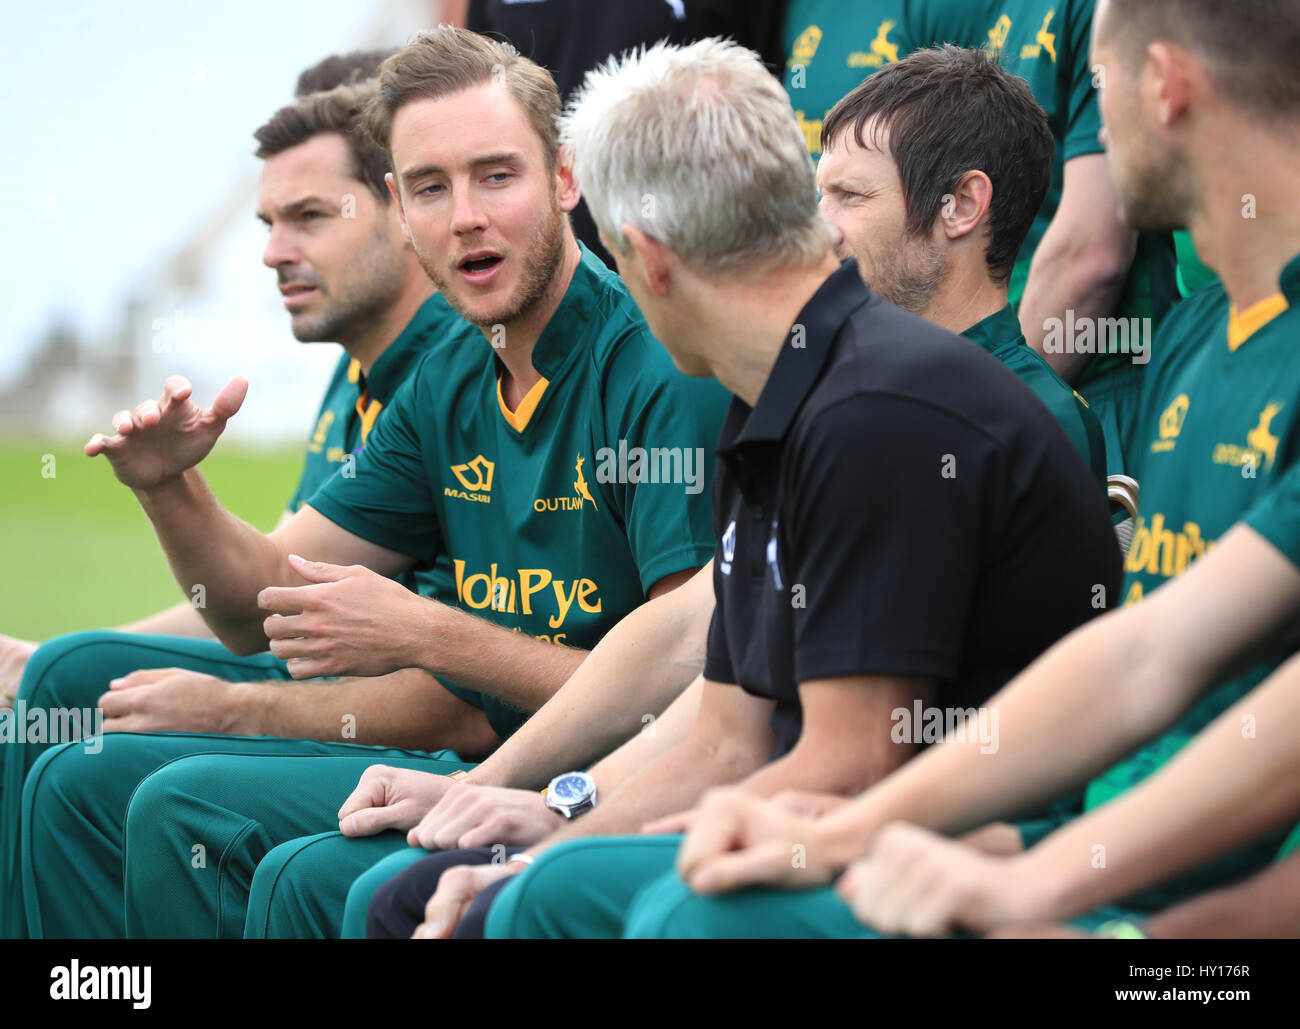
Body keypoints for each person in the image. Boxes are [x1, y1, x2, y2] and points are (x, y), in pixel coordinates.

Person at [362, 35, 1122, 941]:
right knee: (440, 892)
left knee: (572, 906)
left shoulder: (876, 408)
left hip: (966, 849)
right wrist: (554, 823)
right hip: (836, 821)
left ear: (649, 258)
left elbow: (846, 764)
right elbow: (725, 734)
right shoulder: (779, 395)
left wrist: (538, 864)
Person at [21, 27, 726, 939]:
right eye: (431, 187)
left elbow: (680, 691)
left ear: (565, 177)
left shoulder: (655, 368)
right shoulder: (453, 374)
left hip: (601, 779)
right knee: (97, 772)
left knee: (195, 812)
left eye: (496, 176)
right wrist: (170, 489)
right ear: (398, 208)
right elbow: (257, 608)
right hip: (477, 761)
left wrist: (425, 635)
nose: (464, 214)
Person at [620, 0, 1300, 939]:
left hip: (1164, 914)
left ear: (1165, 86)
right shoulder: (1194, 332)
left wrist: (1060, 901)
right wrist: (875, 831)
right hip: (1076, 855)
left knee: (682, 918)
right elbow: (1147, 655)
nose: (823, 230)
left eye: (1098, 91)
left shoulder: (916, 409)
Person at [0, 78, 495, 939]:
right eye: (267, 223)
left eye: (308, 217)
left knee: (99, 740)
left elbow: (468, 685)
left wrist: (238, 707)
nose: (271, 251)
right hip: (380, 696)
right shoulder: (365, 367)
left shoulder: (460, 366)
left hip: (452, 732)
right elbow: (270, 591)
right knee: (62, 681)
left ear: (398, 211)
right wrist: (169, 486)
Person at [897, 0, 1179, 480]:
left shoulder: (1098, 11)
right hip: (962, 400)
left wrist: (976, 421)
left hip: (1097, 386)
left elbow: (1091, 257)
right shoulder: (926, 10)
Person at [816, 44, 1106, 482]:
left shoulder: (1030, 423)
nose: (819, 228)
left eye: (850, 196)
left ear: (962, 206)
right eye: (820, 196)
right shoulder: (826, 385)